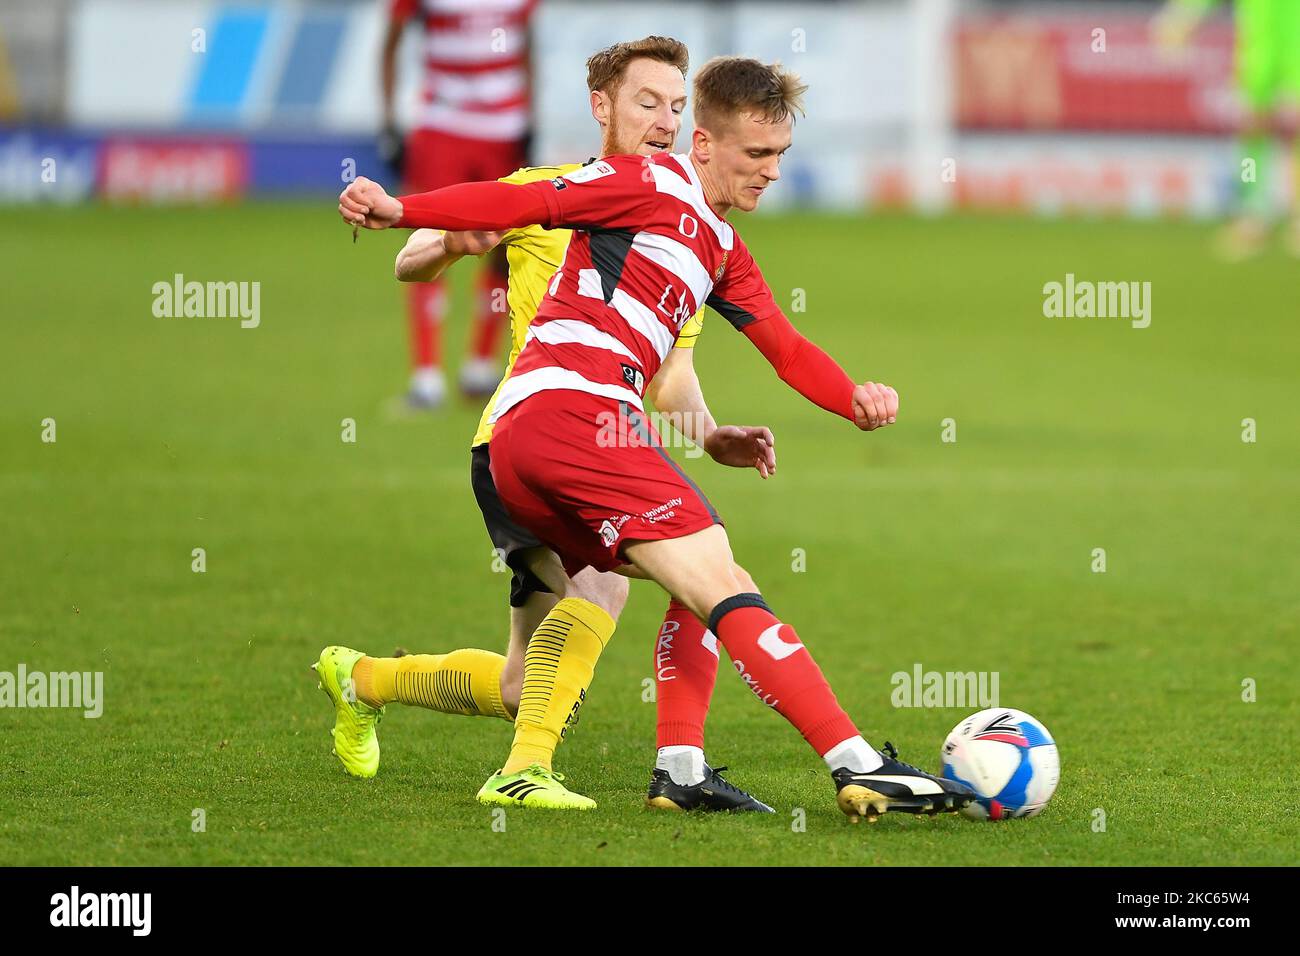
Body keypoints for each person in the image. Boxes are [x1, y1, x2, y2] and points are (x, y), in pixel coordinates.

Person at [339, 55, 975, 823]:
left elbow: (786, 348)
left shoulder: (722, 251)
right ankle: (859, 763)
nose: (770, 172)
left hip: (527, 446)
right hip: (574, 417)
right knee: (721, 579)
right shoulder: (647, 183)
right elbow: (529, 197)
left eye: (780, 156)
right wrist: (402, 211)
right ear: (703, 145)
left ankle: (677, 769)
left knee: (687, 579)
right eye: (755, 154)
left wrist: (854, 401)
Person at [316, 37, 774, 813]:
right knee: (636, 580)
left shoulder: (677, 223)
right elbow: (411, 259)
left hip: (601, 445)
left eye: (674, 107)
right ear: (601, 108)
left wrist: (711, 435)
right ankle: (535, 771)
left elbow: (676, 378)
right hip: (527, 436)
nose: (664, 122)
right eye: (645, 103)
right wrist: (452, 243)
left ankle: (362, 680)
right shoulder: (547, 190)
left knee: (520, 682)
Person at [380, 0, 538, 405]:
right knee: (431, 237)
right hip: (443, 125)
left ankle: (479, 368)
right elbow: (391, 40)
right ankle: (426, 377)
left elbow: (525, 41)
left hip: (504, 128)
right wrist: (388, 123)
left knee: (504, 246)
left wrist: (530, 118)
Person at [1154, 0, 1300, 257]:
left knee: (1295, 128)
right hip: (1258, 48)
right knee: (1252, 128)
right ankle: (1253, 213)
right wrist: (1181, 17)